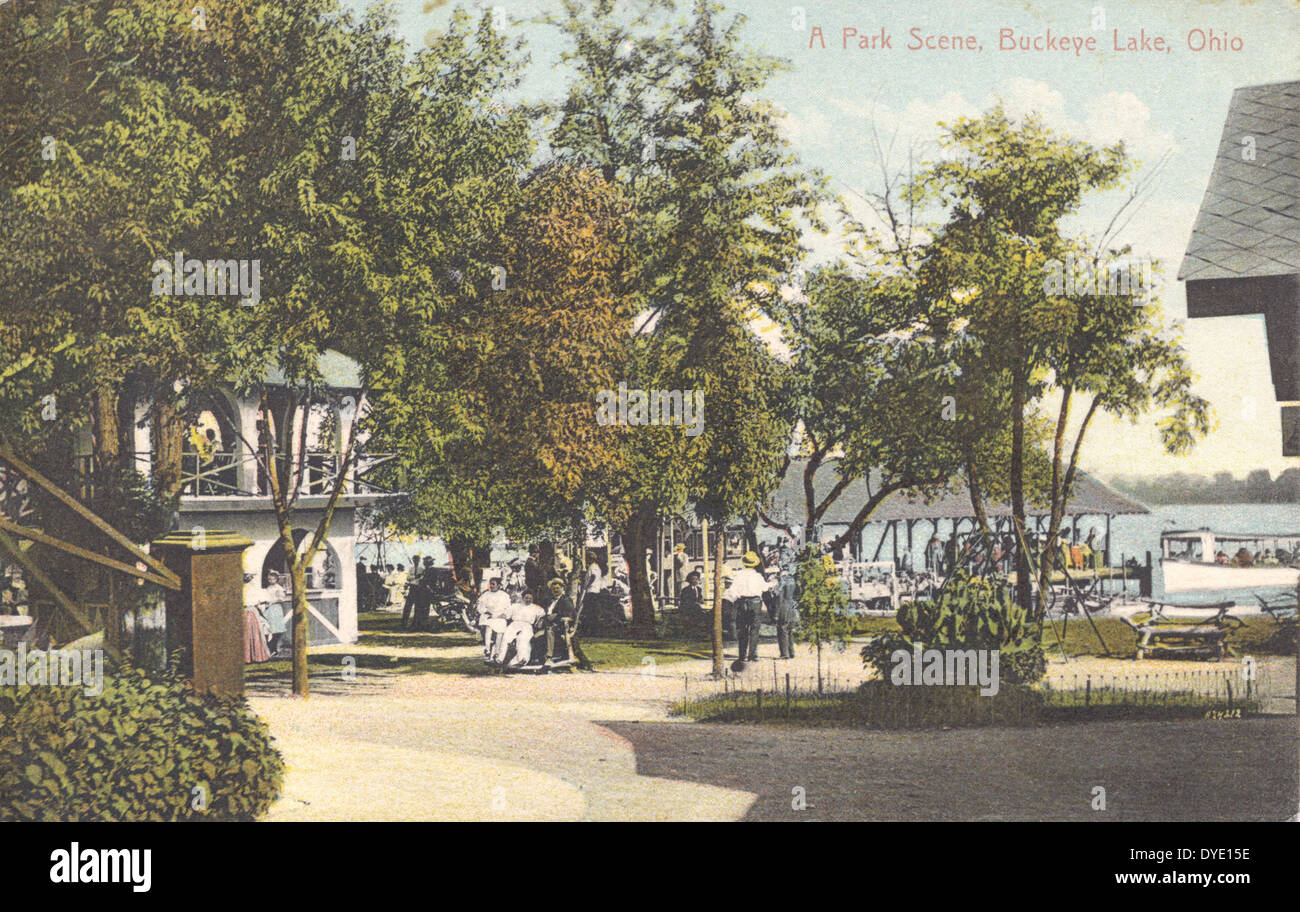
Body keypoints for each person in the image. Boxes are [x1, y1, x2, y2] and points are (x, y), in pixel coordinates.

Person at [725, 551, 773, 670]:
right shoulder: (757, 576)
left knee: (743, 629)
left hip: (742, 602)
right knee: (754, 629)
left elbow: (732, 591)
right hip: (755, 602)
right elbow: (765, 588)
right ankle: (752, 655)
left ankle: (742, 655)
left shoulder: (738, 575)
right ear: (754, 564)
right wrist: (773, 583)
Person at [546, 579, 592, 670]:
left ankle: (549, 657)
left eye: (557, 588)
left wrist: (555, 616)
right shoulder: (550, 601)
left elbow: (569, 614)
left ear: (562, 588)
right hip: (548, 623)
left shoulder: (566, 600)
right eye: (553, 589)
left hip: (560, 626)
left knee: (549, 630)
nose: (555, 590)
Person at [497, 593, 548, 667]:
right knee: (506, 638)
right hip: (514, 624)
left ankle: (522, 660)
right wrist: (500, 616)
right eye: (526, 598)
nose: (528, 600)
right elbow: (506, 615)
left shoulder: (536, 608)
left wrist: (540, 622)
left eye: (530, 598)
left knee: (523, 639)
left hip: (527, 625)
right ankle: (500, 659)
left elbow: (542, 616)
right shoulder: (515, 606)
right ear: (523, 598)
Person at [475, 576, 512, 659]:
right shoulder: (486, 594)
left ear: (498, 585)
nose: (491, 586)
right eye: (490, 584)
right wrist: (486, 611)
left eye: (493, 584)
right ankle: (487, 649)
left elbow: (508, 608)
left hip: (500, 616)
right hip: (490, 615)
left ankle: (497, 652)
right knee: (489, 627)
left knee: (500, 631)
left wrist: (505, 615)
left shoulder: (504, 595)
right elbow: (480, 606)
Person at [771, 569, 799, 660]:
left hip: (784, 607)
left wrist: (775, 613)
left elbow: (778, 597)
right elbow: (798, 593)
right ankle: (791, 652)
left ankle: (784, 653)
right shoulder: (793, 581)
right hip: (792, 606)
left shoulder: (782, 582)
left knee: (782, 630)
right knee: (790, 630)